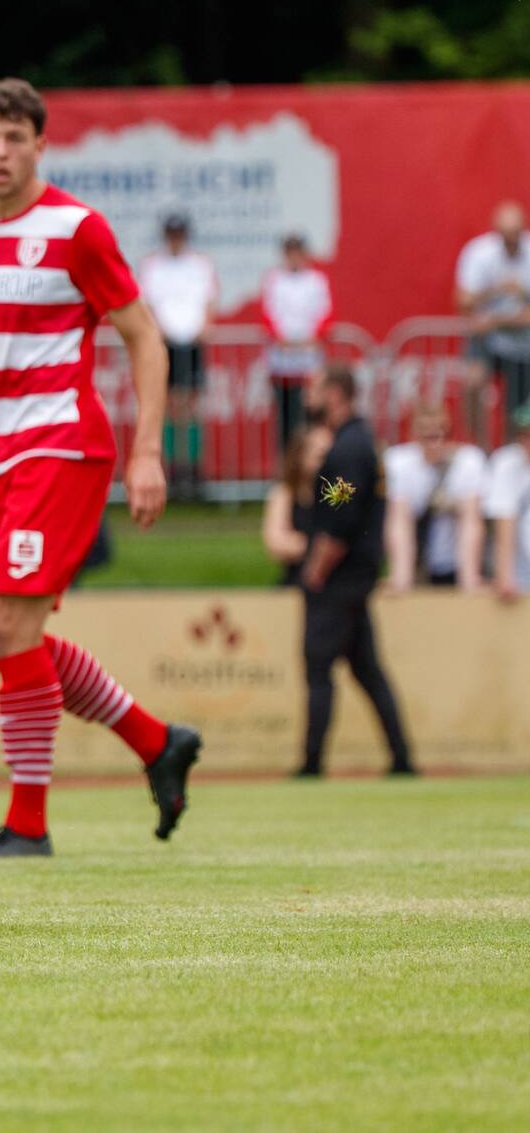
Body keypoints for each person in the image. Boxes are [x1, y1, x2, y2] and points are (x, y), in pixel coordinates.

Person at [0, 77, 201, 859]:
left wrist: (147, 453)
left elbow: (147, 337)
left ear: (41, 144)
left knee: (12, 628)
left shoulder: (78, 228)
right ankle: (157, 740)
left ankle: (29, 825)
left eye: (15, 138)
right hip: (3, 458)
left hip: (65, 445)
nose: (0, 152)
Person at [296, 365, 416, 777]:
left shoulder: (347, 448)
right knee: (367, 671)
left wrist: (316, 568)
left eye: (315, 388)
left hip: (339, 579)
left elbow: (340, 517)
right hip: (355, 577)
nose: (308, 397)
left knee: (318, 668)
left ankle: (312, 763)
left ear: (335, 394)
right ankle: (402, 758)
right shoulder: (360, 443)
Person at [138, 214, 218, 487]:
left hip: (192, 340)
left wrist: (204, 327)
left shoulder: (199, 264)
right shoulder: (153, 265)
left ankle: (193, 466)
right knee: (170, 404)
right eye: (171, 234)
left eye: (179, 234)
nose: (175, 240)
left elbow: (208, 300)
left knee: (193, 404)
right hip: (166, 341)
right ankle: (173, 466)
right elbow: (147, 303)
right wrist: (158, 332)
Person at [383, 403, 485, 591]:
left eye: (442, 435)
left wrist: (469, 577)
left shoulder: (468, 460)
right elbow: (398, 519)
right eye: (427, 437)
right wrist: (401, 576)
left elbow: (471, 520)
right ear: (414, 435)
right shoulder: (399, 461)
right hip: (419, 564)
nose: (435, 443)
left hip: (454, 563)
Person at [454, 200, 530, 426]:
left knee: (516, 413)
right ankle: (479, 449)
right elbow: (463, 300)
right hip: (486, 341)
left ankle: (509, 453)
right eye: (506, 235)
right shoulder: (479, 252)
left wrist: (494, 320)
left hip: (522, 347)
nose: (511, 241)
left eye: (515, 234)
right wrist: (496, 289)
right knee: (473, 382)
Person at [261, 234, 333, 457]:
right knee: (285, 417)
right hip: (282, 361)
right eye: (289, 252)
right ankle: (287, 465)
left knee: (311, 414)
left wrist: (313, 336)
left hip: (309, 360)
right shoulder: (274, 279)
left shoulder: (316, 280)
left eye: (297, 251)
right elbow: (267, 313)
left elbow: (326, 313)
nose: (293, 257)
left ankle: (313, 462)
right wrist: (279, 337)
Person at [264, 426, 333, 586]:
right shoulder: (285, 493)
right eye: (321, 456)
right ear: (301, 456)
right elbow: (276, 542)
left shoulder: (337, 495)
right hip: (297, 580)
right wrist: (322, 547)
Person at [482, 405, 530, 603]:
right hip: (520, 581)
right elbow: (504, 520)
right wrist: (505, 577)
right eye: (524, 433)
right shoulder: (506, 462)